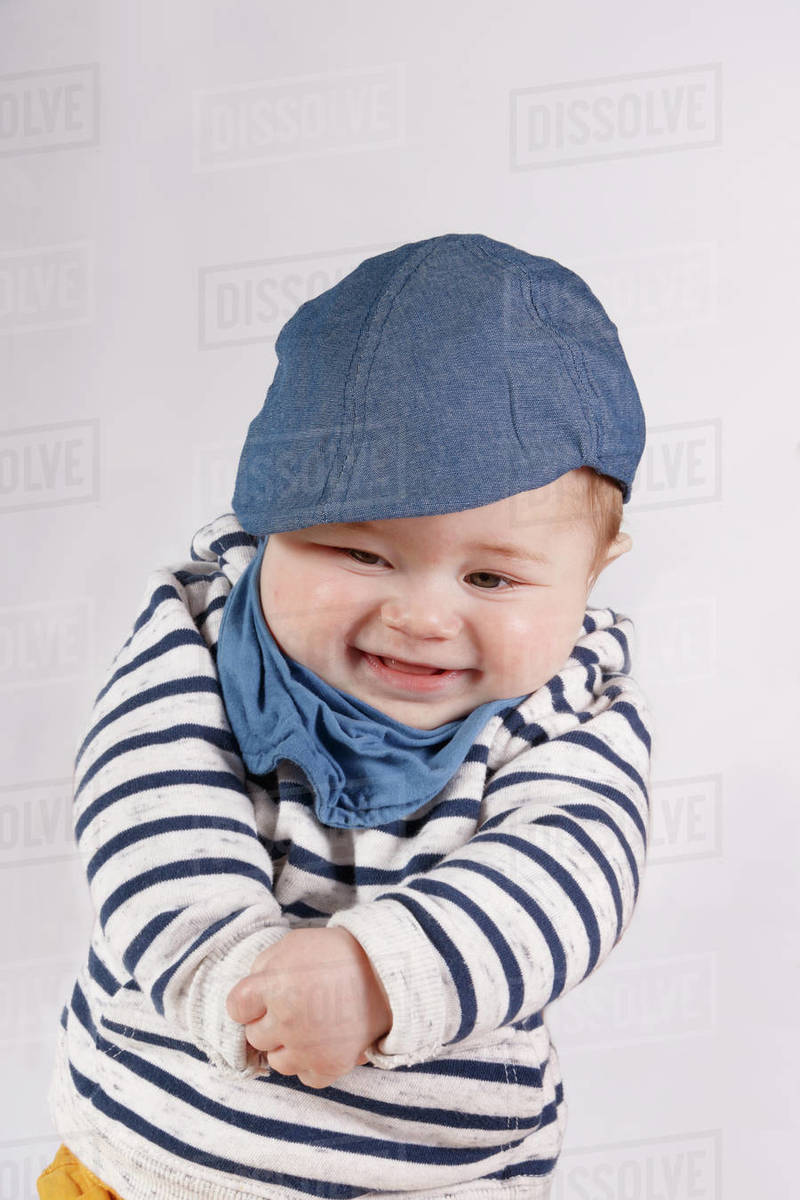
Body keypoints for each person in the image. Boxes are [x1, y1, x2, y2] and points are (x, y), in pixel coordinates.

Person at [37, 232, 655, 1200]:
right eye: (359, 555)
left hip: (433, 1179)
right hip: (149, 1158)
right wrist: (235, 980)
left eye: (490, 576)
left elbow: (567, 877)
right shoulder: (205, 628)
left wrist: (377, 976)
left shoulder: (569, 702)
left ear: (593, 571)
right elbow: (144, 804)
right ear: (268, 516)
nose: (418, 616)